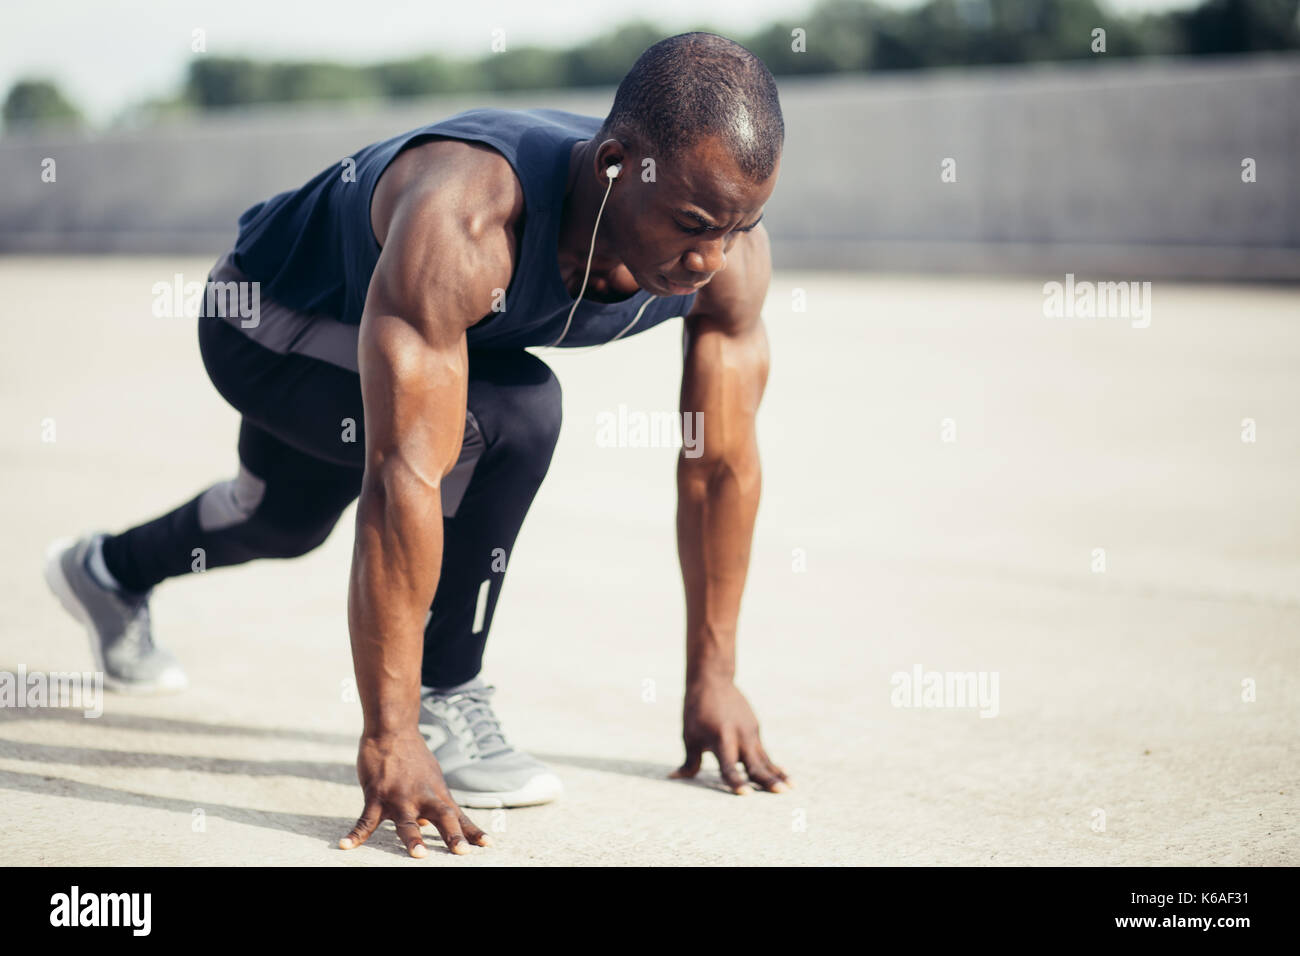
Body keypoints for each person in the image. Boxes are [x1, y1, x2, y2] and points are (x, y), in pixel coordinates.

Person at [44, 31, 791, 858]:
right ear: (615, 164)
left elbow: (719, 466)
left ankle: (108, 570)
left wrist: (713, 676)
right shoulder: (467, 213)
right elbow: (405, 473)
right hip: (265, 319)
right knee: (517, 412)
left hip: (376, 327)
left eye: (740, 225)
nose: (711, 258)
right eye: (693, 225)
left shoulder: (725, 251)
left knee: (282, 521)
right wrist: (390, 735)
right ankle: (448, 692)